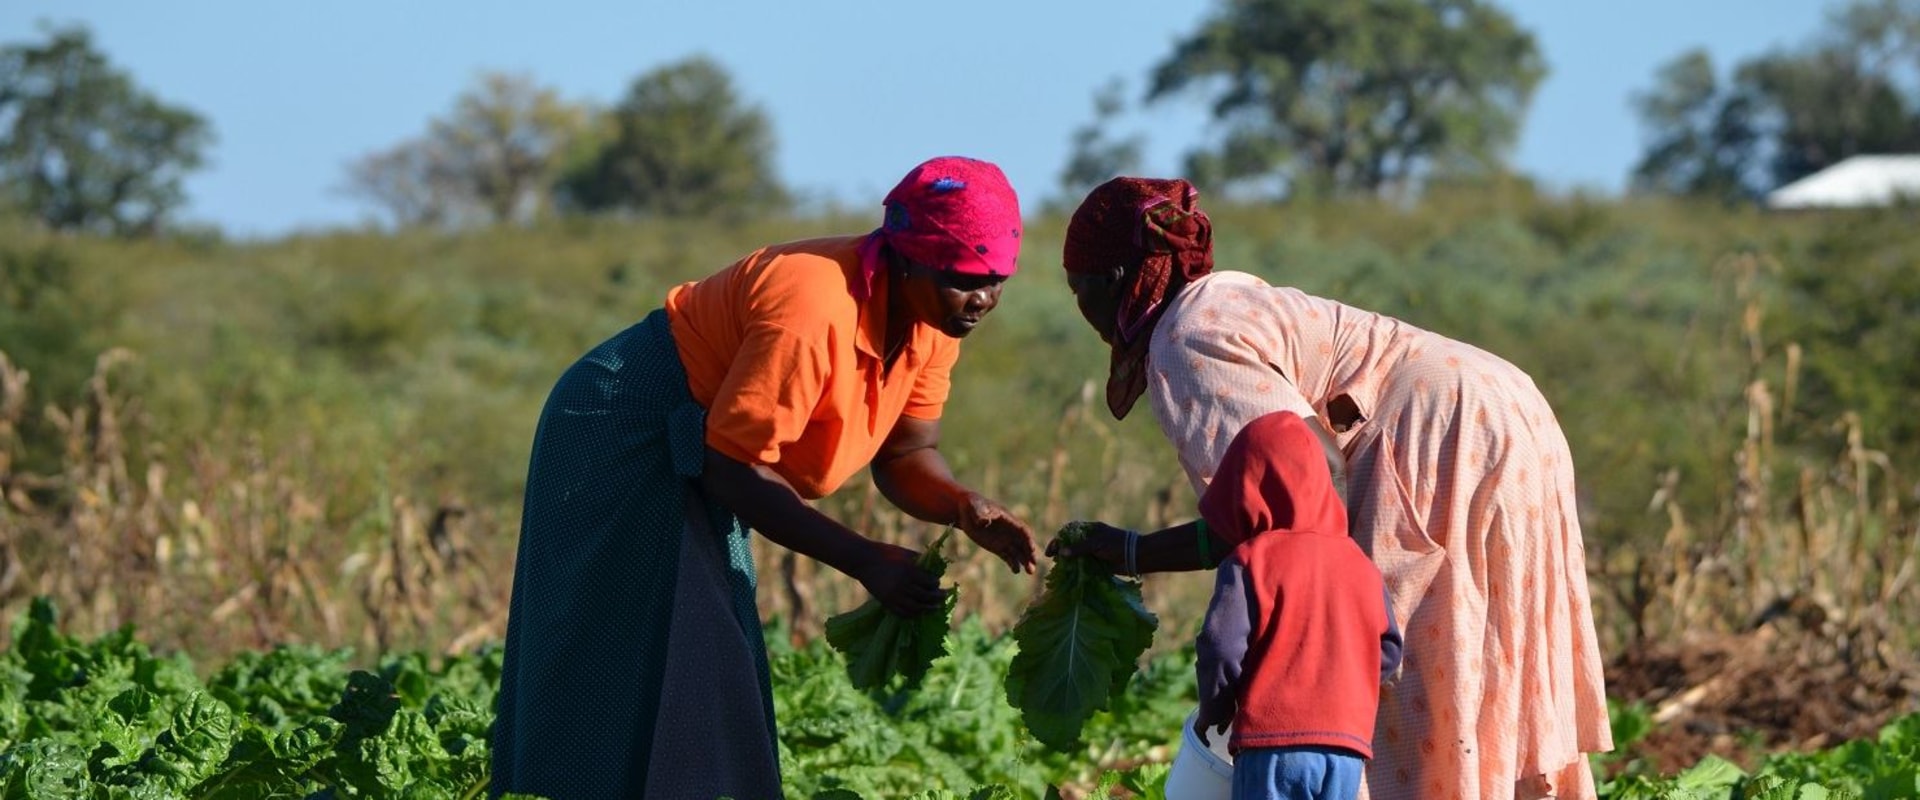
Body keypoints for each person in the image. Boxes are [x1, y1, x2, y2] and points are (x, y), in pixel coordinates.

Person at [491, 155, 1040, 800]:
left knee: (705, 646)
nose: (982, 299)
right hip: (622, 422)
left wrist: (962, 505)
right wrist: (863, 558)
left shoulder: (933, 322)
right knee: (614, 644)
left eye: (997, 279)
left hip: (704, 437)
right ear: (908, 258)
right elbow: (732, 468)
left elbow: (905, 455)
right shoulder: (812, 309)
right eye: (962, 278)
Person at [1051, 177, 1612, 799]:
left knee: (1414, 692)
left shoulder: (1187, 338)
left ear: (1117, 278)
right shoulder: (1227, 301)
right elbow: (1277, 508)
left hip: (1434, 433)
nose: (1084, 311)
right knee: (1486, 660)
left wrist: (1136, 555)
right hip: (1504, 405)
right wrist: (1133, 552)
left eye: (1081, 290)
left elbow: (1287, 508)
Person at [1192, 410, 1403, 800]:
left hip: (1271, 746)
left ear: (1247, 488)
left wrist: (1215, 708)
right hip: (1346, 749)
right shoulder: (1361, 566)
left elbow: (1220, 647)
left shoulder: (1250, 560)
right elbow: (1388, 651)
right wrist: (1337, 686)